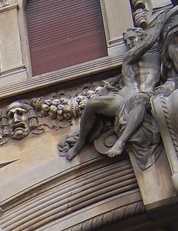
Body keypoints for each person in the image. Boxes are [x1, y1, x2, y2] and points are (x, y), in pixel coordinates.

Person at [60, 24, 162, 159]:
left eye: (132, 38)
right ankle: (80, 142)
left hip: (145, 96)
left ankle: (120, 142)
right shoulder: (128, 58)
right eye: (127, 41)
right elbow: (149, 41)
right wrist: (161, 22)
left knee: (140, 100)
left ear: (142, 37)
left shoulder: (157, 57)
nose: (130, 43)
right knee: (92, 103)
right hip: (123, 97)